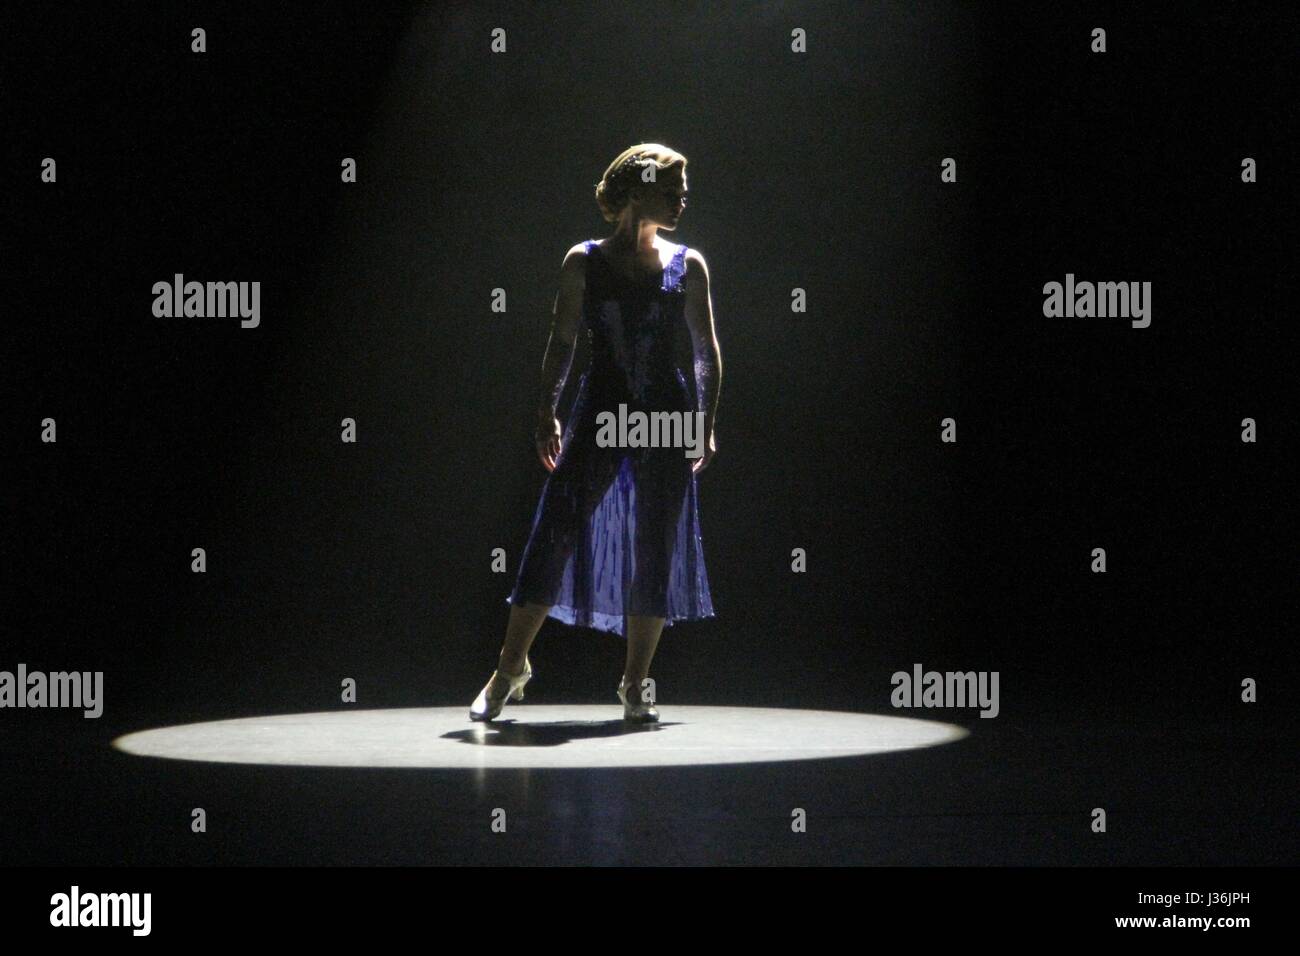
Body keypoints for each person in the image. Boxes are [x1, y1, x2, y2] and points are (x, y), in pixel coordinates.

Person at [470, 143, 721, 723]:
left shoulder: (690, 264)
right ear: (637, 191)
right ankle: (509, 668)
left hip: (665, 411)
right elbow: (563, 341)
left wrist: (706, 420)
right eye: (672, 190)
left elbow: (705, 349)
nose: (683, 200)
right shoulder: (584, 261)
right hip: (603, 407)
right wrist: (545, 411)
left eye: (684, 191)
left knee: (656, 540)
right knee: (555, 530)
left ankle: (636, 684)